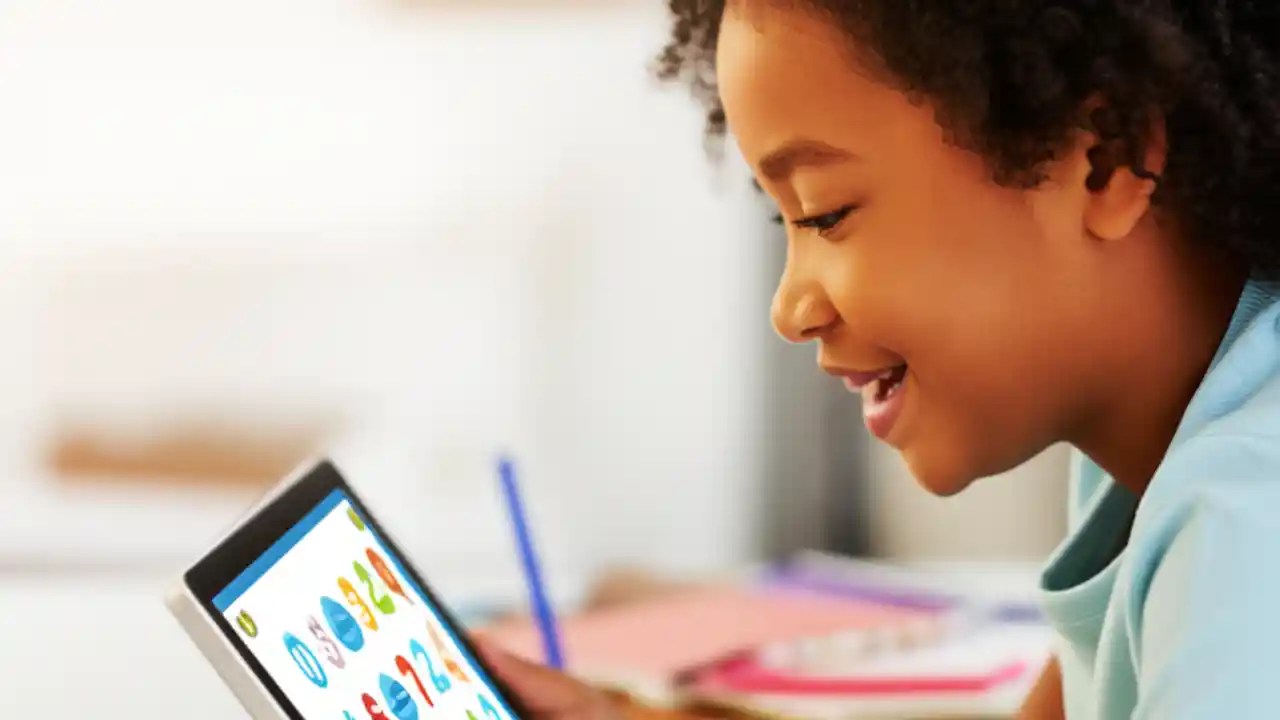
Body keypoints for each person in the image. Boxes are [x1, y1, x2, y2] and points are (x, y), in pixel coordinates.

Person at [475, 1, 1280, 717]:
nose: (789, 311)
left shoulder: (1241, 527)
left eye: (825, 214)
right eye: (782, 222)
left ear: (1103, 160)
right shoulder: (1153, 450)